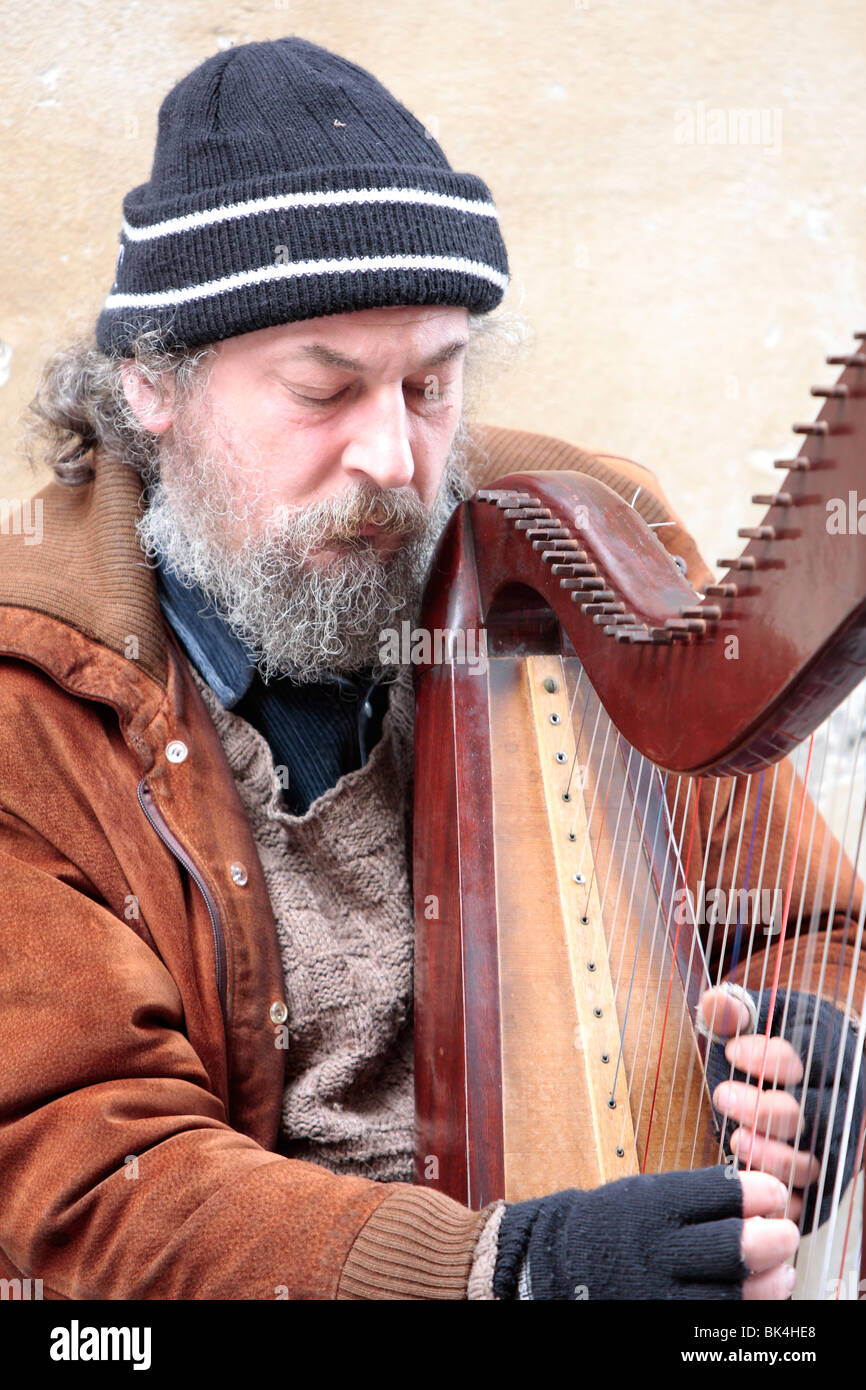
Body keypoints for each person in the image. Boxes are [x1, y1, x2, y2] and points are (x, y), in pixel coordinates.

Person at [0, 35, 860, 1302]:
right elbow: (88, 1160)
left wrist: (819, 1041)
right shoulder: (38, 686)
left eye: (429, 384)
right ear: (151, 386)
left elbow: (804, 921)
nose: (393, 459)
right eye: (324, 390)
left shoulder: (580, 555)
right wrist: (488, 1271)